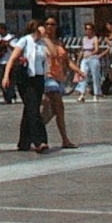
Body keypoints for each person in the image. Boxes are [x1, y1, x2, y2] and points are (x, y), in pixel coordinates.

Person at [2, 20, 51, 153]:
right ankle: (40, 140)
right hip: (26, 79)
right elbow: (12, 59)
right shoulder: (24, 40)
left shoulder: (42, 43)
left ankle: (24, 142)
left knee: (30, 109)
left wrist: (46, 39)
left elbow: (52, 54)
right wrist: (6, 76)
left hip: (39, 78)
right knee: (33, 109)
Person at [41, 19, 77, 148]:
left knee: (51, 111)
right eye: (47, 24)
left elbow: (66, 61)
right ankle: (64, 139)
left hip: (59, 77)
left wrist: (78, 71)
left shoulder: (59, 42)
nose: (50, 26)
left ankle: (33, 130)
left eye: (53, 24)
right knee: (59, 108)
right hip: (48, 76)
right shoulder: (42, 42)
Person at [77, 22, 105, 103]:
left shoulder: (95, 38)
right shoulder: (84, 39)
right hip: (85, 58)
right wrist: (79, 60)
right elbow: (82, 50)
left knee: (95, 76)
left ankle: (96, 94)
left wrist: (91, 53)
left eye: (90, 29)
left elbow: (97, 49)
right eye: (87, 29)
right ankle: (82, 93)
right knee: (83, 75)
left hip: (93, 58)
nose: (88, 31)